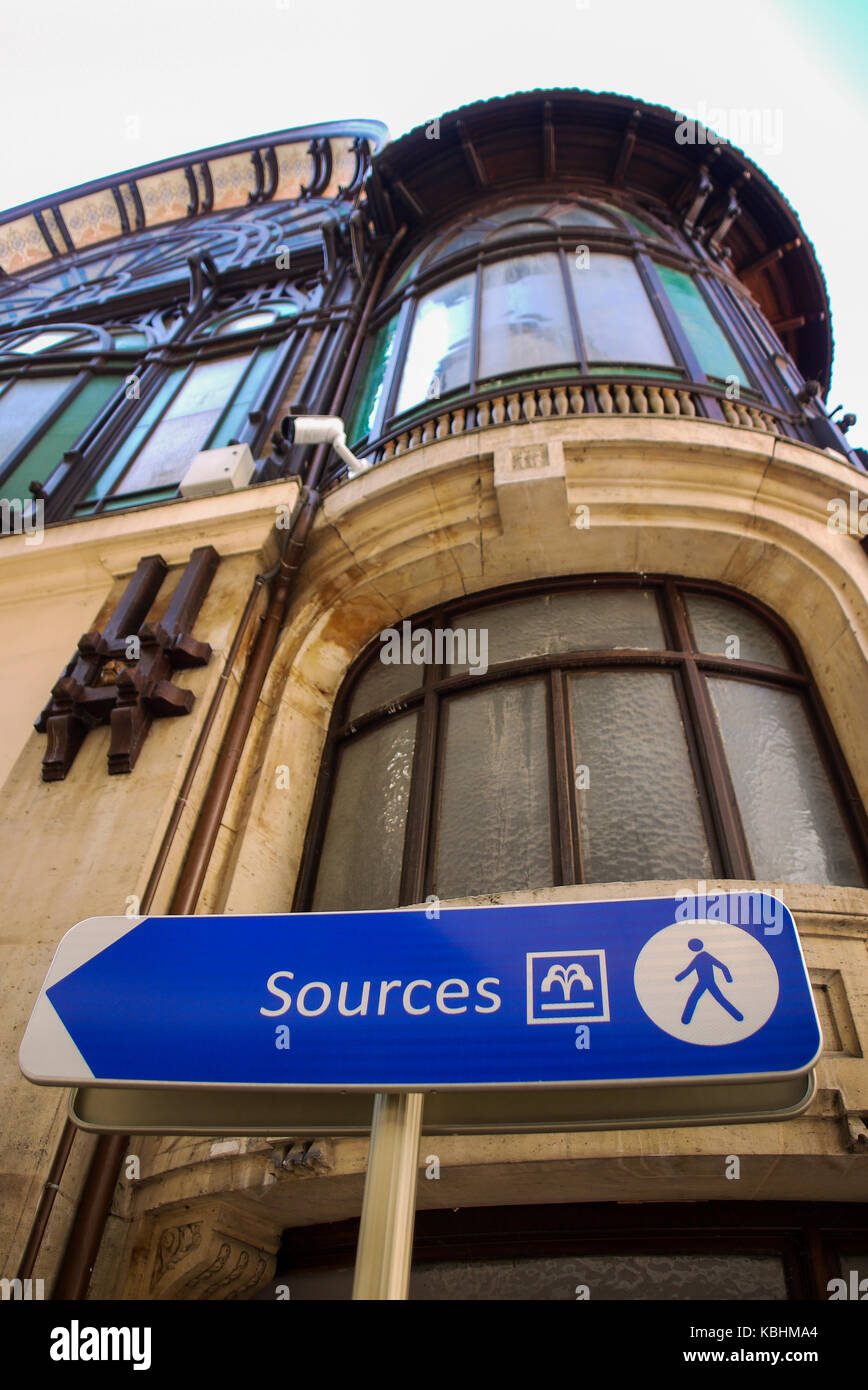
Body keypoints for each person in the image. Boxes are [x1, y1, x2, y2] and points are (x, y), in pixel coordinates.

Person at [675, 937, 743, 1024]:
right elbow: (689, 970)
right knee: (701, 999)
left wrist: (729, 979)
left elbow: (723, 967)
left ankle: (738, 1016)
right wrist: (678, 978)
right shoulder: (700, 957)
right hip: (703, 983)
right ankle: (738, 1016)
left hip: (708, 982)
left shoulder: (704, 956)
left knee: (697, 999)